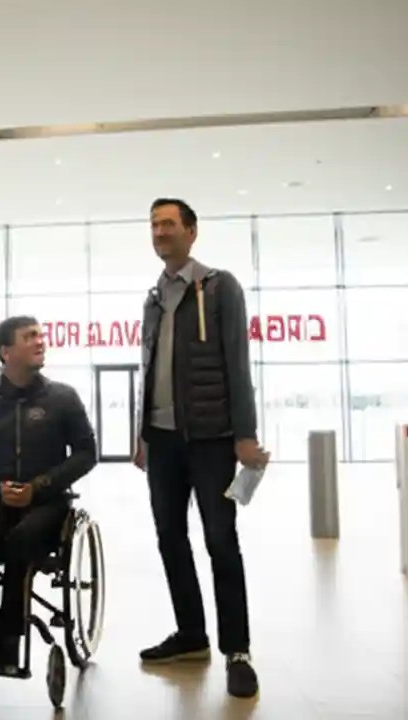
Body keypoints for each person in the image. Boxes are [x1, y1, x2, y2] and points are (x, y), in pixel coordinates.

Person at [134, 198, 268, 699]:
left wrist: (245, 435)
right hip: (163, 442)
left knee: (219, 540)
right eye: (153, 225)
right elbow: (147, 371)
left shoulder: (218, 287)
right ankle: (191, 634)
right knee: (170, 536)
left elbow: (238, 361)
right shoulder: (153, 298)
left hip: (212, 441)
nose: (159, 232)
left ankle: (237, 650)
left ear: (192, 231)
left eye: (168, 223)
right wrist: (141, 433)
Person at [0, 315, 97, 671]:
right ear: (6, 352)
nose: (40, 341)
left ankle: (9, 636)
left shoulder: (63, 398)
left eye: (40, 335)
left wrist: (39, 487)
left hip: (47, 502)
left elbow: (86, 453)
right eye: (29, 336)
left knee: (22, 540)